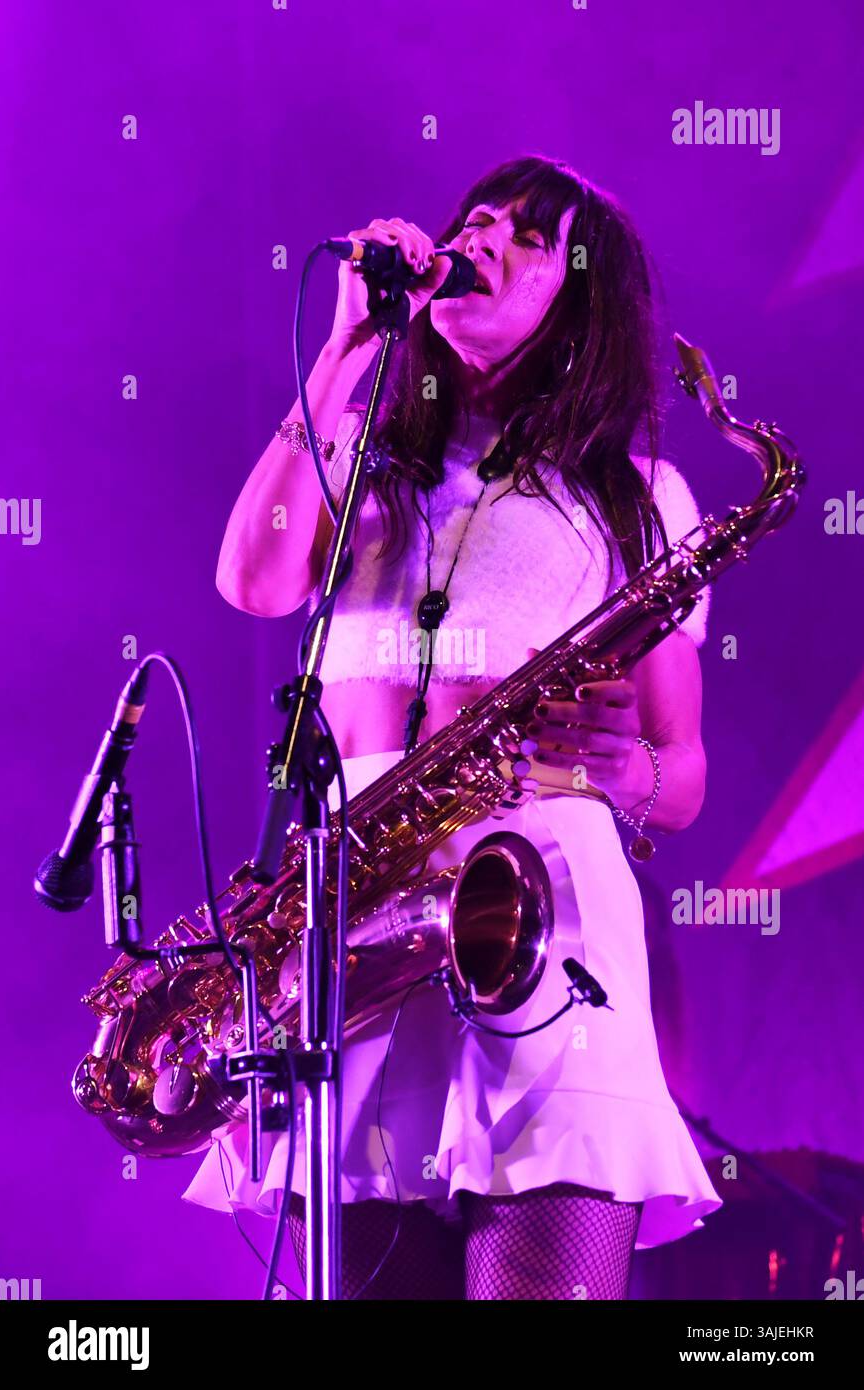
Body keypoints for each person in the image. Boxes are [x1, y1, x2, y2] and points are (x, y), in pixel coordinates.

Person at [183, 154, 722, 1300]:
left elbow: (682, 777)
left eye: (526, 235)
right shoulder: (366, 471)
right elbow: (250, 579)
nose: (480, 233)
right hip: (357, 921)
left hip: (545, 915)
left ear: (579, 299)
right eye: (474, 216)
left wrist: (630, 771)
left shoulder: (637, 500)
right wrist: (345, 353)